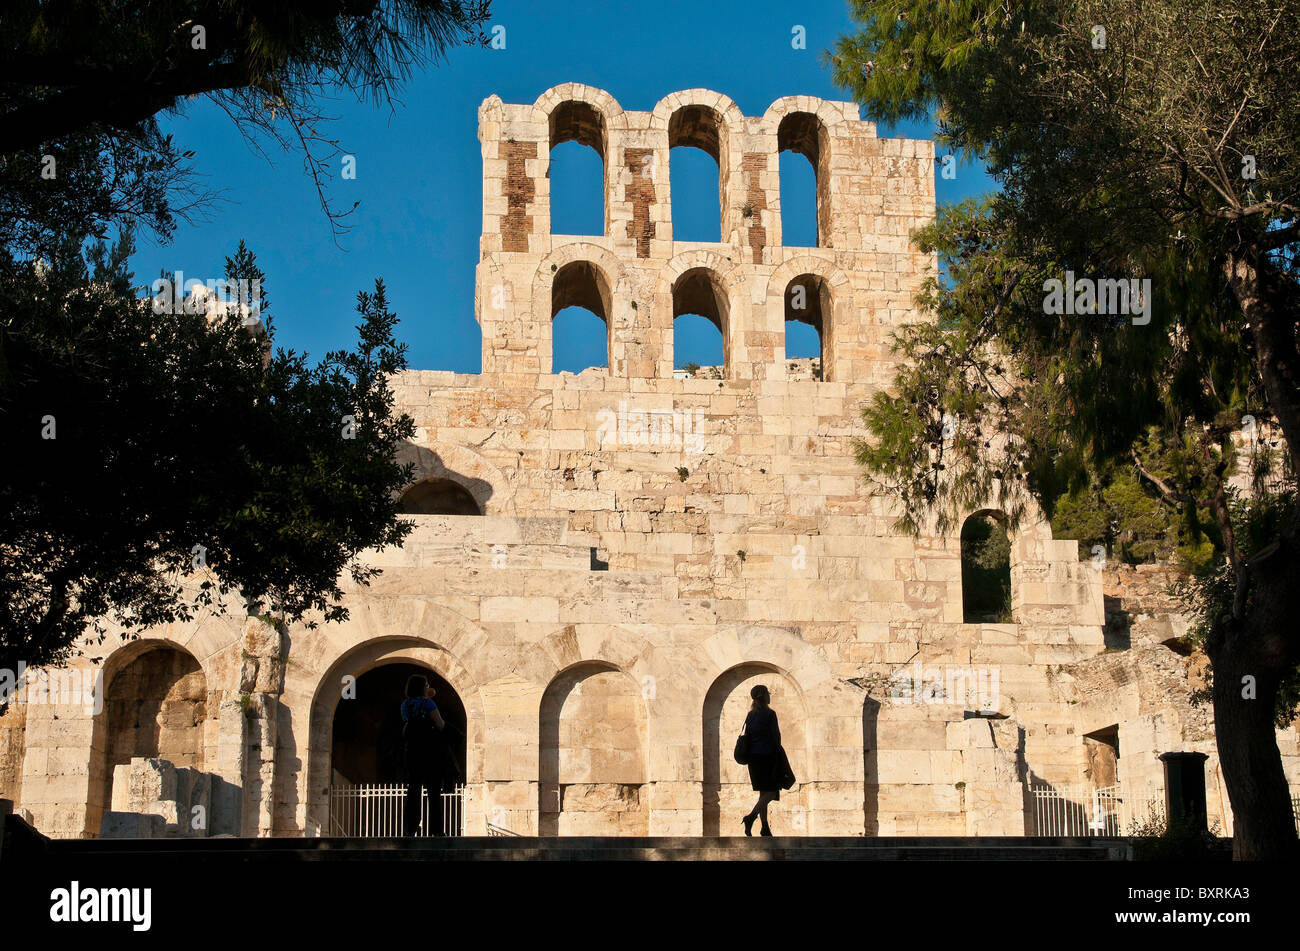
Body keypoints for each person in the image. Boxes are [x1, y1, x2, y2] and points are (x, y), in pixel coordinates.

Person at [401, 674, 447, 836]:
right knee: (433, 791)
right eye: (426, 685)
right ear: (422, 687)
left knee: (413, 789)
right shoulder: (428, 703)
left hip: (412, 752)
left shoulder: (405, 705)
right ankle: (436, 830)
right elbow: (440, 724)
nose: (428, 687)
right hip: (429, 751)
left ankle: (410, 828)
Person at [741, 684, 781, 837]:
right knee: (771, 792)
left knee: (763, 792)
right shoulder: (770, 714)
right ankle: (751, 817)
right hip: (768, 756)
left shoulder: (750, 715)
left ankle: (765, 827)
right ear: (765, 696)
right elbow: (776, 736)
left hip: (753, 758)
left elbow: (748, 735)